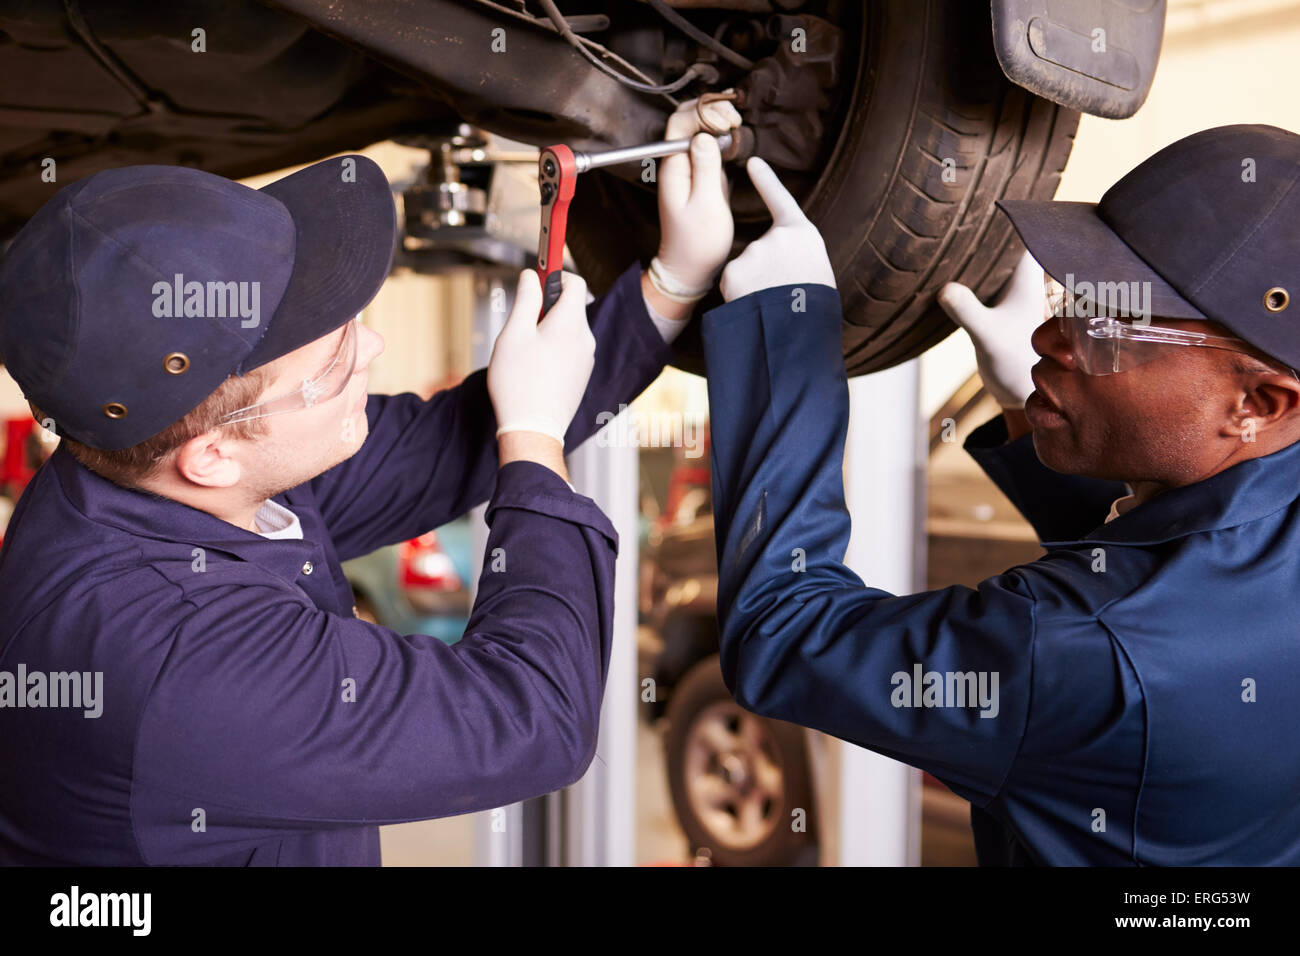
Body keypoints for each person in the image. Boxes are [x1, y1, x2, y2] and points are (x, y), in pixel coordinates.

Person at [0, 99, 741, 865]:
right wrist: (536, 440)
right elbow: (532, 715)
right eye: (332, 361)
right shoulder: (180, 671)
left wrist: (671, 281)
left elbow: (448, 445)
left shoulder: (174, 467)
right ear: (212, 453)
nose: (375, 345)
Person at [701, 124, 1300, 864]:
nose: (1052, 335)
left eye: (1110, 326)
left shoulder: (1075, 653)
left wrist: (784, 335)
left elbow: (783, 634)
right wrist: (1030, 412)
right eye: (1074, 295)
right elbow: (1179, 581)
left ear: (1261, 403)